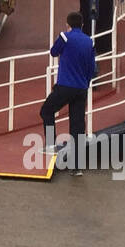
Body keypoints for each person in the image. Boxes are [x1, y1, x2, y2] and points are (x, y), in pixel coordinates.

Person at [39, 12, 97, 175]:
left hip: (65, 86)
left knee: (47, 111)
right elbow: (92, 69)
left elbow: (53, 51)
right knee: (77, 126)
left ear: (68, 24)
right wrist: (85, 83)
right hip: (81, 89)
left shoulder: (65, 37)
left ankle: (51, 145)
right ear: (83, 25)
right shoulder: (89, 42)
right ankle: (76, 167)